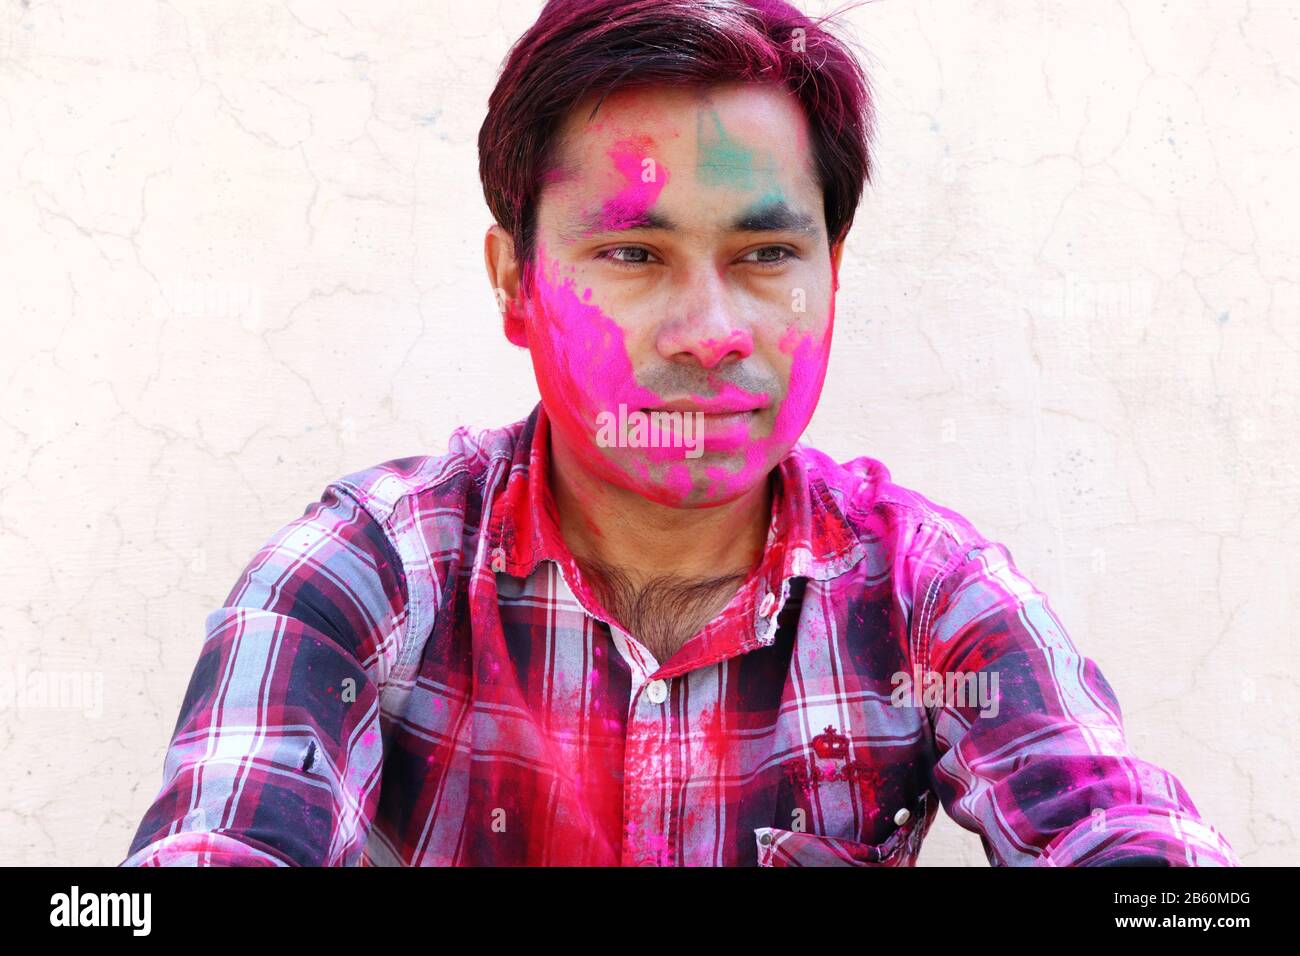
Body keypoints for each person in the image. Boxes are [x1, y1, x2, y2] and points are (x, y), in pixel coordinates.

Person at [122, 0, 1238, 867]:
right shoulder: (368, 571)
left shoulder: (924, 595)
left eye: (765, 257)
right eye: (632, 254)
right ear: (516, 283)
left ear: (831, 277)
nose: (710, 332)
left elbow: (1123, 840)